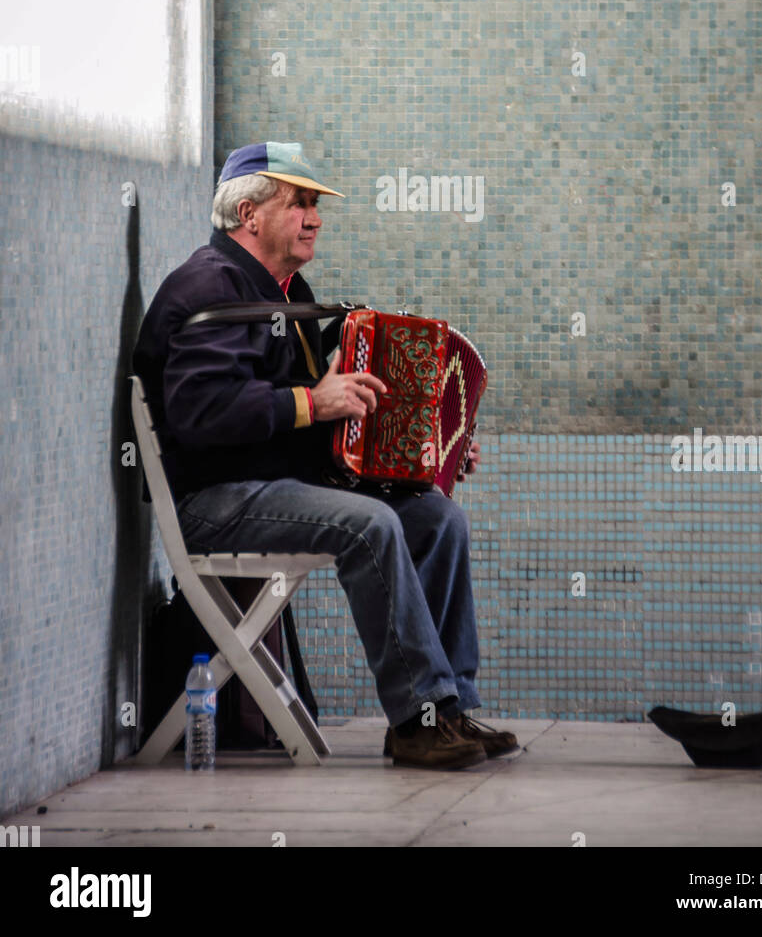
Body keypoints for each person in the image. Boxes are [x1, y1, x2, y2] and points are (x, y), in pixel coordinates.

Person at [133, 141, 518, 769]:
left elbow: (305, 423)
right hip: (213, 501)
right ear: (249, 214)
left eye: (316, 206)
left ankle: (443, 712)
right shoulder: (209, 284)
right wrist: (314, 401)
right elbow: (202, 413)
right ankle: (417, 722)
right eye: (300, 203)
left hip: (273, 485)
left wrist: (423, 459)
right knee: (372, 524)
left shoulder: (286, 292)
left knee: (436, 518)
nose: (315, 217)